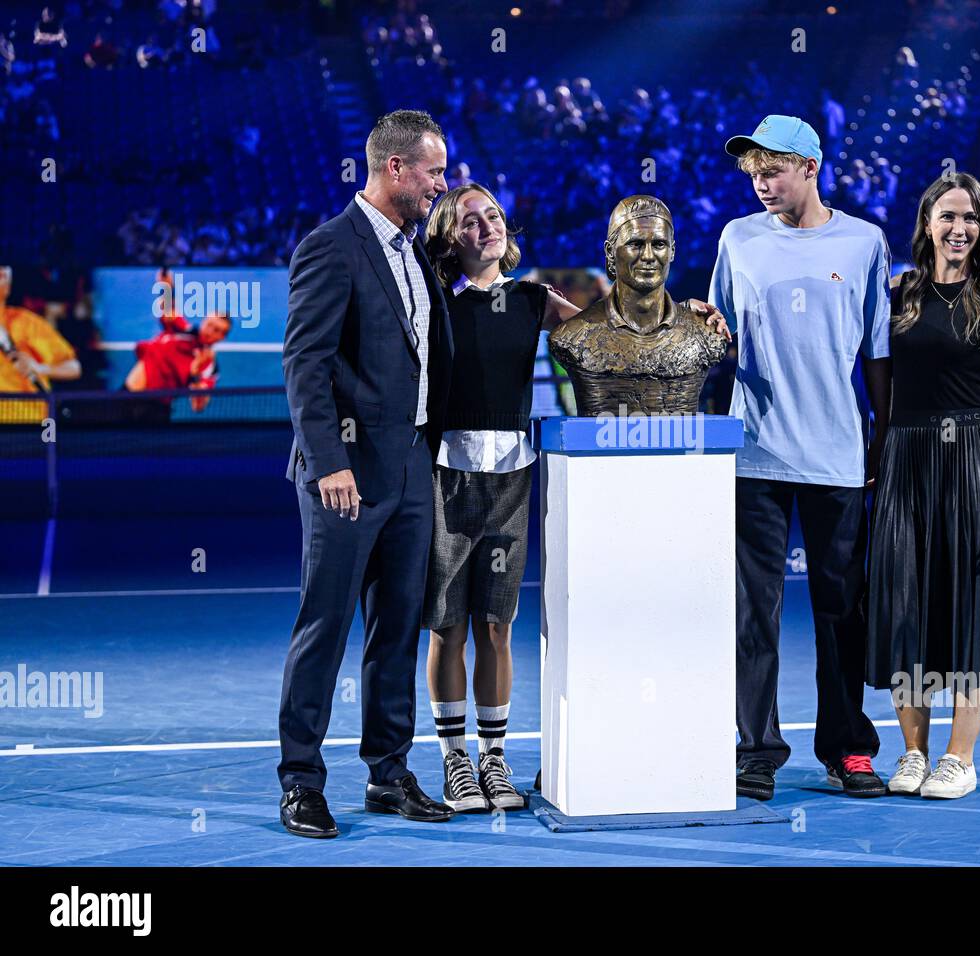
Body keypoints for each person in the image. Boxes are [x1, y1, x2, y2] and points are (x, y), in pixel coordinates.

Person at [423, 184, 732, 811]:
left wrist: (697, 314)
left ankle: (494, 759)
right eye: (470, 220)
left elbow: (609, 332)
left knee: (498, 625)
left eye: (494, 216)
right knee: (448, 626)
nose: (485, 226)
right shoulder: (431, 303)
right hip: (445, 476)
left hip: (513, 475)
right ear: (449, 237)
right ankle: (455, 758)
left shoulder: (538, 302)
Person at [278, 110, 456, 838]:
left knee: (398, 631)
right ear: (394, 169)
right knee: (325, 627)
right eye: (434, 172)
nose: (441, 186)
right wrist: (330, 465)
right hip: (346, 476)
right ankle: (300, 783)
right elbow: (305, 365)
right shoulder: (331, 247)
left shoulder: (413, 252)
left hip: (411, 467)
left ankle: (389, 771)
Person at [709, 115, 892, 801]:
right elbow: (720, 336)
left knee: (841, 610)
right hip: (752, 452)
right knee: (752, 613)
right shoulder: (738, 239)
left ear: (811, 167)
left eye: (772, 170)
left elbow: (877, 351)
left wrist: (884, 435)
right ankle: (756, 750)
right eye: (753, 172)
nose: (760, 182)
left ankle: (848, 748)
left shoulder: (866, 242)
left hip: (836, 456)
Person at [866, 172, 980, 800]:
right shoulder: (898, 294)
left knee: (971, 611)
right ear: (928, 223)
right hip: (907, 464)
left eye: (970, 218)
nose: (959, 228)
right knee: (906, 607)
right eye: (948, 217)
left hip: (975, 463)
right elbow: (879, 390)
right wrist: (879, 448)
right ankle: (912, 753)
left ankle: (959, 758)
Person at [124, 270, 230, 414]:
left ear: (222, 337)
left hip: (155, 411)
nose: (210, 331)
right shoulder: (182, 330)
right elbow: (168, 311)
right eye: (209, 325)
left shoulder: (209, 365)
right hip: (124, 397)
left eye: (217, 330)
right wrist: (167, 286)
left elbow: (198, 406)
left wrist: (195, 373)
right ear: (204, 321)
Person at [0, 266, 82, 424]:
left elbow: (74, 368)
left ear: (8, 288)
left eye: (2, 275)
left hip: (27, 422)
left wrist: (39, 368)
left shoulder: (27, 323)